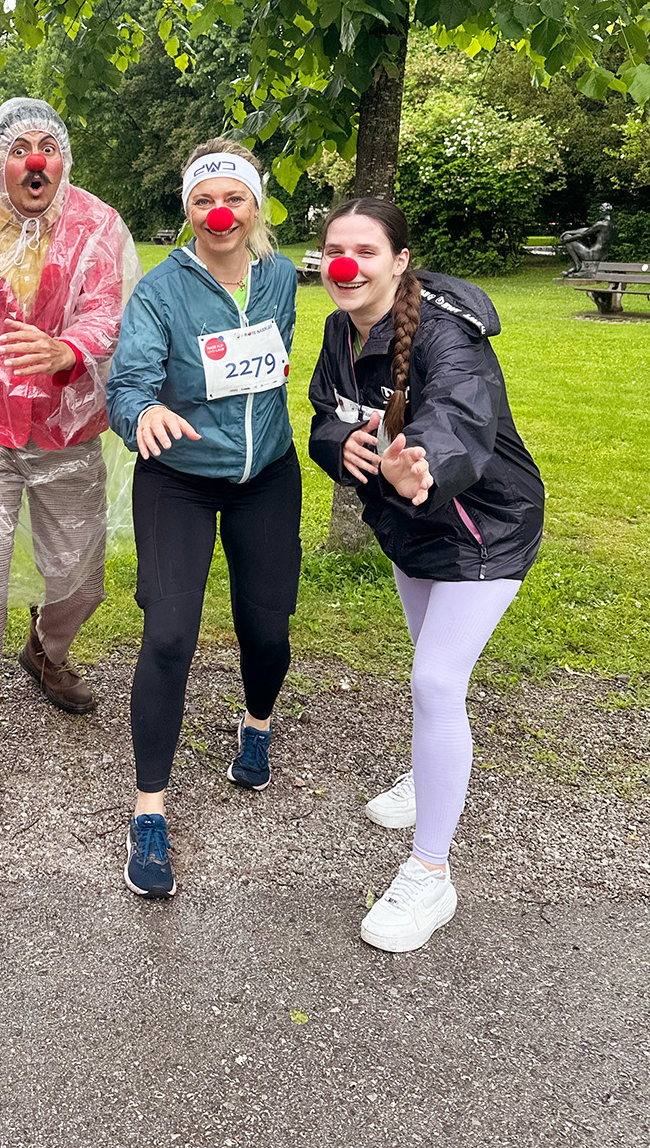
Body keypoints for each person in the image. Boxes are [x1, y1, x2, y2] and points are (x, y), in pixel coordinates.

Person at [308, 197, 544, 953]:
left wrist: (424, 464)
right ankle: (428, 771)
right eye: (335, 251)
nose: (346, 266)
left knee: (436, 682)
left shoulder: (447, 333)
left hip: (483, 526)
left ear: (399, 261)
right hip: (409, 526)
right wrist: (341, 442)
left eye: (365, 251)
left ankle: (431, 874)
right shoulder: (339, 330)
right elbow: (326, 411)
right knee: (430, 672)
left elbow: (461, 417)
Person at [0, 97, 140, 845]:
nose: (35, 160)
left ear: (64, 160)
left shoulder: (97, 225)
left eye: (47, 145)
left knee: (81, 579)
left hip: (62, 425)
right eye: (19, 148)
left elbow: (108, 310)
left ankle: (45, 652)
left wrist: (68, 349)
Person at [107, 139, 301, 900]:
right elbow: (127, 383)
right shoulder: (160, 292)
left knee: (268, 629)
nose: (220, 214)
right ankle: (148, 811)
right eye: (203, 201)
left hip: (266, 476)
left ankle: (257, 725)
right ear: (188, 210)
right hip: (178, 480)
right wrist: (144, 412)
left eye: (234, 199)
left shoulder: (280, 276)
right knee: (169, 634)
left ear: (255, 207)